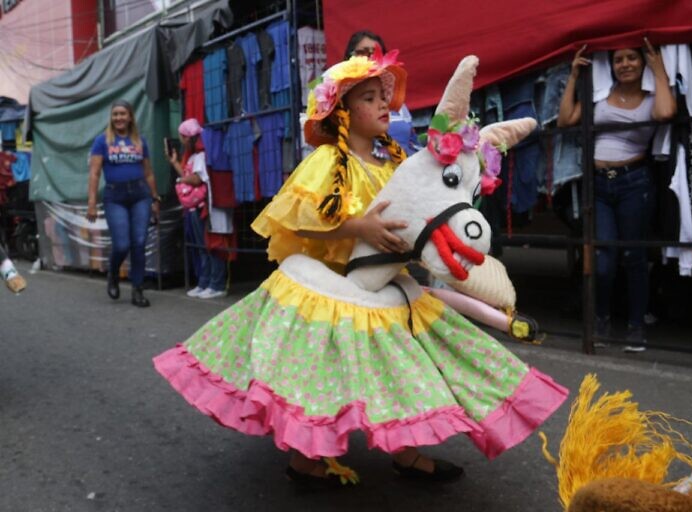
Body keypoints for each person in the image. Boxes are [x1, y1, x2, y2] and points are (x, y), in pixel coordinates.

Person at [154, 50, 566, 487]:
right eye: (369, 98)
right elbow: (299, 216)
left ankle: (406, 454)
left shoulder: (394, 162)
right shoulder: (330, 162)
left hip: (384, 282)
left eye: (382, 96)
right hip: (330, 287)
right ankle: (306, 461)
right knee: (315, 381)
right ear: (344, 114)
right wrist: (360, 225)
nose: (383, 104)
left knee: (404, 373)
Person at [557, 38, 676, 351]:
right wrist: (572, 77)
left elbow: (666, 113)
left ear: (642, 64)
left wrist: (658, 68)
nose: (625, 64)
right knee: (603, 258)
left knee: (634, 256)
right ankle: (601, 320)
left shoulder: (652, 98)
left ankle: (637, 327)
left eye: (631, 59)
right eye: (619, 59)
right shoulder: (601, 97)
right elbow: (565, 120)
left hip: (634, 182)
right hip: (599, 184)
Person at [87, 100, 160, 308]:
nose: (119, 118)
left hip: (140, 195)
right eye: (115, 114)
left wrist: (155, 198)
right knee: (122, 244)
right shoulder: (102, 141)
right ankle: (113, 273)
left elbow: (148, 172)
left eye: (123, 114)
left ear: (130, 117)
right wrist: (91, 202)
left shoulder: (139, 141)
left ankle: (137, 290)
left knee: (139, 241)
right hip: (114, 196)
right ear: (112, 117)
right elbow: (94, 173)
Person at [166, 118, 227, 299]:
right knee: (202, 246)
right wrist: (175, 163)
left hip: (203, 206)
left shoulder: (200, 156)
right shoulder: (194, 156)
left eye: (183, 137)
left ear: (187, 138)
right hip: (195, 207)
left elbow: (197, 179)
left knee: (210, 245)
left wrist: (181, 180)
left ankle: (216, 283)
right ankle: (205, 282)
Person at [345, 30, 419, 156]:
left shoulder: (398, 103)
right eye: (363, 53)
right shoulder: (342, 101)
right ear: (349, 58)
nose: (370, 58)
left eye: (376, 53)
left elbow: (413, 144)